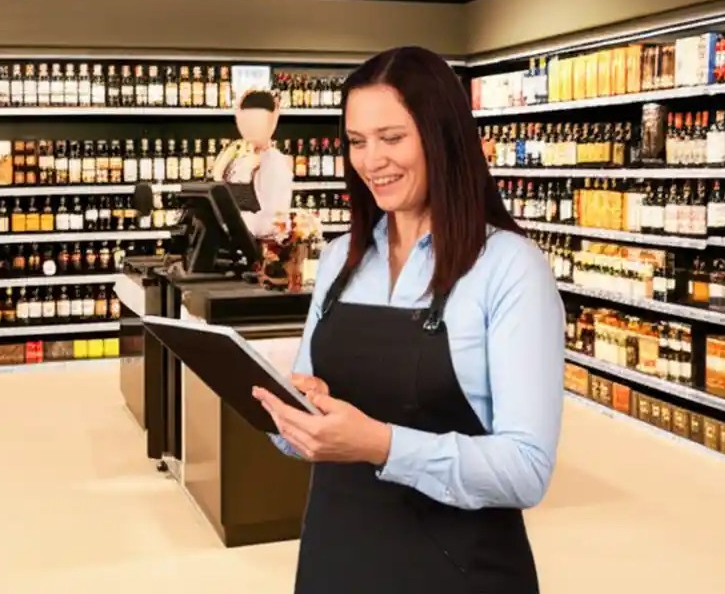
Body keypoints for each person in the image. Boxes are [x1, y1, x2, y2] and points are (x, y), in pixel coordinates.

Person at [251, 47, 564, 593]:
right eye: (356, 141)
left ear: (442, 136)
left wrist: (381, 444)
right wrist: (291, 409)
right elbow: (305, 406)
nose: (372, 161)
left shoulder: (508, 268)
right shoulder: (340, 259)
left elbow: (525, 467)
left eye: (392, 138)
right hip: (337, 554)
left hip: (458, 570)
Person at [210, 89, 294, 238]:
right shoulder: (234, 156)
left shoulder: (275, 161)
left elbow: (273, 219)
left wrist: (235, 222)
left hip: (262, 248)